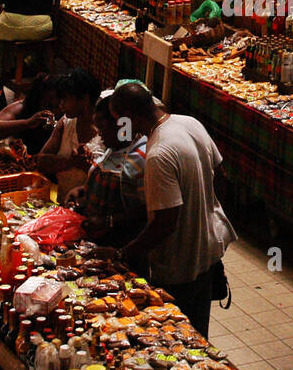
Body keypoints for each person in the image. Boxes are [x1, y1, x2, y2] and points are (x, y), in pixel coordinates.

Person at [109, 82, 237, 337]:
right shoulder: (189, 123)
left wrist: (124, 253)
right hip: (206, 252)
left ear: (130, 116)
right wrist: (203, 212)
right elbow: (221, 177)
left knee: (177, 336)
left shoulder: (158, 154)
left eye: (119, 121)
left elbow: (166, 223)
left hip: (179, 265)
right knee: (199, 333)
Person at [67, 95, 148, 248]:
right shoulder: (112, 149)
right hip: (95, 240)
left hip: (121, 245)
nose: (99, 134)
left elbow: (147, 209)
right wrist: (80, 192)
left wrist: (109, 221)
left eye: (103, 128)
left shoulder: (141, 158)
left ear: (122, 126)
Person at [38, 68, 105, 189]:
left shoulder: (107, 131)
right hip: (64, 203)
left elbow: (113, 177)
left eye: (65, 99)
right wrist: (71, 162)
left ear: (85, 99)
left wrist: (87, 166)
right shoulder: (65, 123)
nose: (61, 104)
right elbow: (42, 162)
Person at [0, 73, 64, 154]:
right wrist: (27, 123)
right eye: (48, 105)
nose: (54, 111)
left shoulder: (68, 113)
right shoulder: (23, 107)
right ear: (38, 99)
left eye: (58, 106)